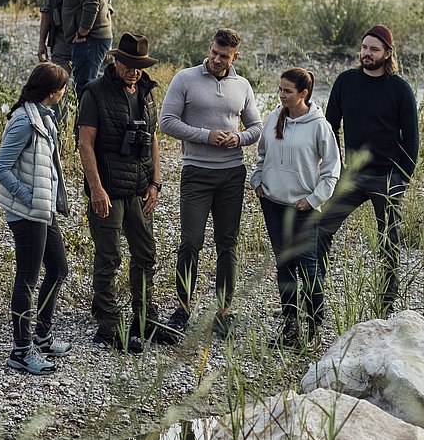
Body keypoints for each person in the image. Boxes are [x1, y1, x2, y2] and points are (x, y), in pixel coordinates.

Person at [75, 34, 180, 351]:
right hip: (108, 190)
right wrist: (96, 189)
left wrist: (156, 183)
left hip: (140, 188)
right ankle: (108, 328)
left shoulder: (147, 92)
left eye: (139, 65)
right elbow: (85, 143)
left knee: (146, 255)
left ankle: (145, 320)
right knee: (109, 258)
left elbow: (153, 139)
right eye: (129, 64)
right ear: (115, 61)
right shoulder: (95, 92)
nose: (134, 71)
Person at [158, 28, 262, 340]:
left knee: (227, 244)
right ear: (210, 47)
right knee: (191, 242)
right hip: (196, 173)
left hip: (232, 174)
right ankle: (182, 308)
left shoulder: (242, 85)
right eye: (215, 52)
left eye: (224, 56)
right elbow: (167, 122)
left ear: (235, 56)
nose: (217, 59)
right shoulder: (185, 79)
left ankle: (224, 311)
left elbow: (256, 127)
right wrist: (205, 136)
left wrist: (238, 138)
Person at [314, 24, 419, 318]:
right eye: (364, 48)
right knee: (320, 228)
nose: (367, 54)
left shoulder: (400, 88)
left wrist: (403, 177)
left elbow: (412, 138)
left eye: (374, 49)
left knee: (388, 241)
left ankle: (386, 305)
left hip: (388, 177)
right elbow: (330, 127)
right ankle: (314, 296)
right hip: (352, 176)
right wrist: (336, 168)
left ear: (387, 53)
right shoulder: (346, 81)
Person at [0, 62, 74, 375]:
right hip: (27, 213)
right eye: (63, 88)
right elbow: (0, 168)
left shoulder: (43, 117)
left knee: (59, 268)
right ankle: (21, 351)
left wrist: (44, 202)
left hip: (42, 211)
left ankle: (42, 336)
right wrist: (28, 198)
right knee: (27, 278)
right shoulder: (24, 121)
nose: (64, 93)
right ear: (53, 92)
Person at [251, 67, 341, 347]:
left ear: (304, 93)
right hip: (272, 204)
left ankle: (314, 328)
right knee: (285, 265)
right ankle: (290, 327)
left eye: (287, 91)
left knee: (309, 268)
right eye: (280, 89)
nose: (281, 95)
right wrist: (257, 181)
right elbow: (262, 155)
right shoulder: (273, 117)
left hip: (303, 208)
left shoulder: (319, 125)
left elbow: (332, 169)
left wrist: (313, 199)